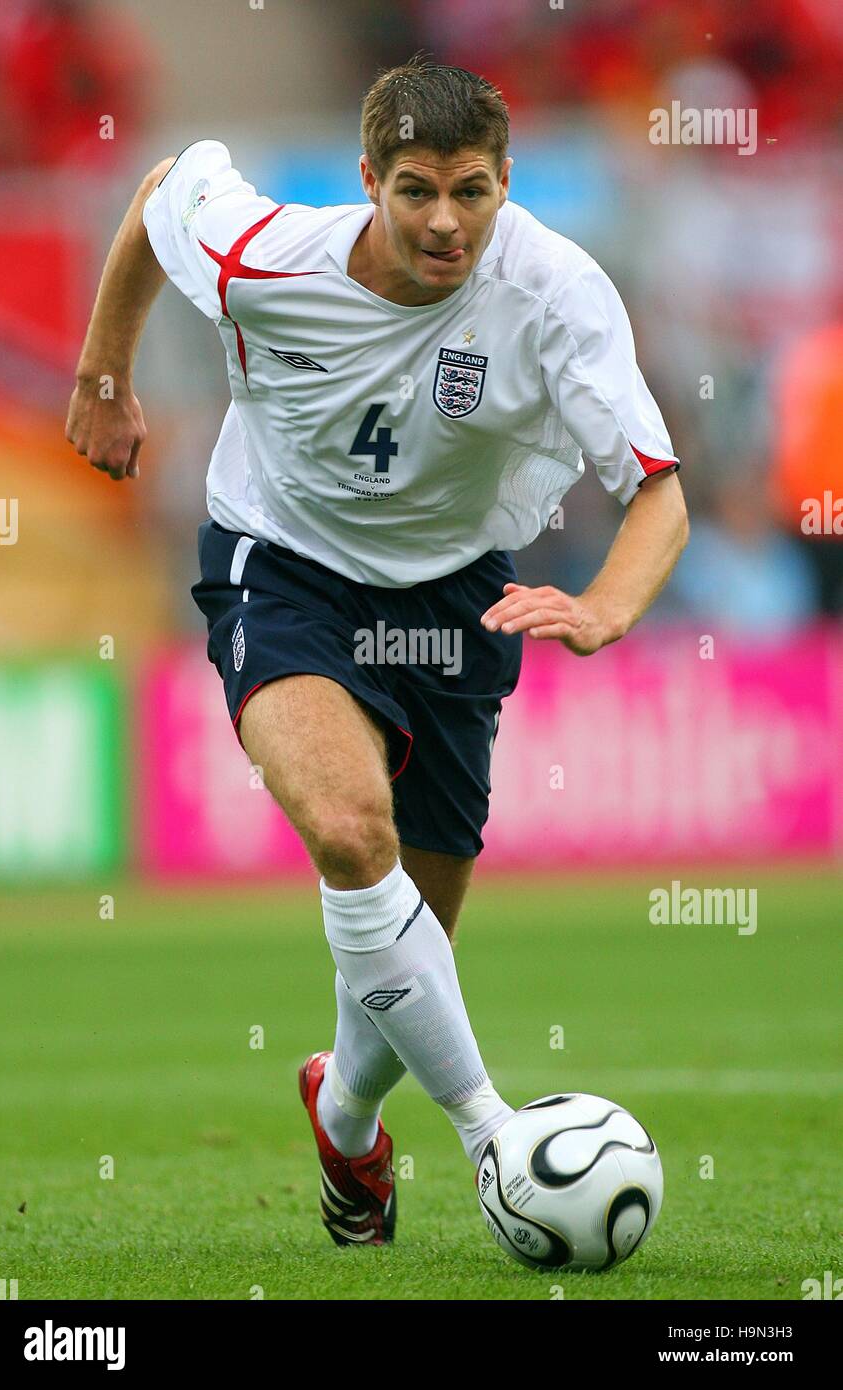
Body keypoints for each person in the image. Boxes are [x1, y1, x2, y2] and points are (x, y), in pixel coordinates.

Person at [65, 58, 688, 1248]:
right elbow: (159, 193)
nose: (443, 221)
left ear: (505, 183)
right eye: (413, 191)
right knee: (352, 836)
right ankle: (492, 1135)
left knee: (414, 946)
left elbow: (656, 491)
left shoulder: (557, 295)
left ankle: (344, 1117)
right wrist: (105, 374)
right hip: (281, 561)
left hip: (458, 596)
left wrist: (608, 604)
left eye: (468, 191)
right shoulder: (268, 255)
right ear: (368, 183)